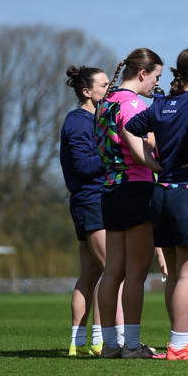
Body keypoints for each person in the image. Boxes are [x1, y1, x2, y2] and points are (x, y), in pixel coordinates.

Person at [125, 48, 188, 361]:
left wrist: (150, 162)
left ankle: (179, 341)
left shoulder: (162, 104)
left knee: (176, 276)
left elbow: (128, 127)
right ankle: (179, 345)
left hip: (162, 194)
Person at [95, 47, 164, 359]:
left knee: (112, 271)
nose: (155, 84)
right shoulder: (133, 104)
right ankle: (133, 345)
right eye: (156, 77)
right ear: (142, 74)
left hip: (109, 189)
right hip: (135, 188)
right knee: (136, 273)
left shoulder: (103, 104)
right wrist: (168, 167)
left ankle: (110, 344)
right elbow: (139, 152)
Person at [60, 64, 116, 357]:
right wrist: (115, 153)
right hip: (91, 201)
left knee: (91, 272)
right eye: (104, 85)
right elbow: (83, 166)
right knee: (111, 269)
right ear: (87, 91)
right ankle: (99, 339)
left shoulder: (92, 118)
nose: (110, 89)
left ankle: (77, 342)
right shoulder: (79, 122)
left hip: (88, 201)